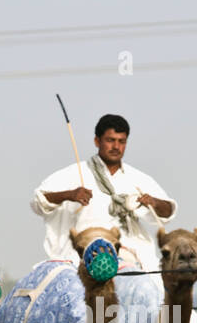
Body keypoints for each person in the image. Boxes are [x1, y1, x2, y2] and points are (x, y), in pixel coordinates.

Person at [31, 114, 176, 272]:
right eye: (110, 140)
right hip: (87, 255)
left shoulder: (138, 179)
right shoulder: (75, 173)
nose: (116, 147)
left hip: (134, 256)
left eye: (121, 141)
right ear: (97, 141)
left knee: (151, 290)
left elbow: (168, 212)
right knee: (100, 296)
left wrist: (155, 203)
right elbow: (39, 201)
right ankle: (100, 298)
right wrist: (69, 195)